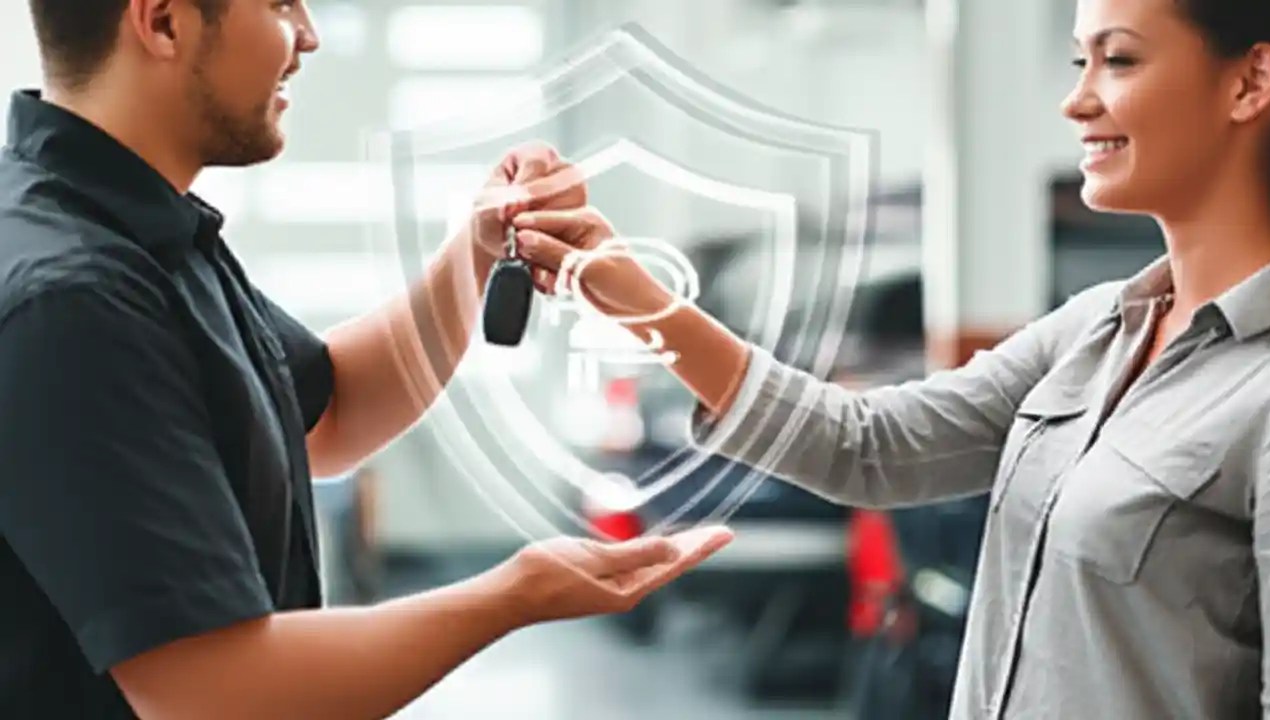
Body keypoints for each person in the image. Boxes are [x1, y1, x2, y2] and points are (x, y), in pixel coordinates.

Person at [511, 0, 1270, 717]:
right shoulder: (1094, 329)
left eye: (1118, 60)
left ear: (1250, 82)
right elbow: (866, 447)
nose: (1076, 101)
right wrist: (631, 293)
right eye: (1079, 62)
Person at [0, 0, 734, 718]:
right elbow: (212, 692)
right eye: (282, 4)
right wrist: (517, 594)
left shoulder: (139, 233)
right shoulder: (73, 298)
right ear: (162, 21)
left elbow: (331, 414)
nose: (309, 36)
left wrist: (477, 247)